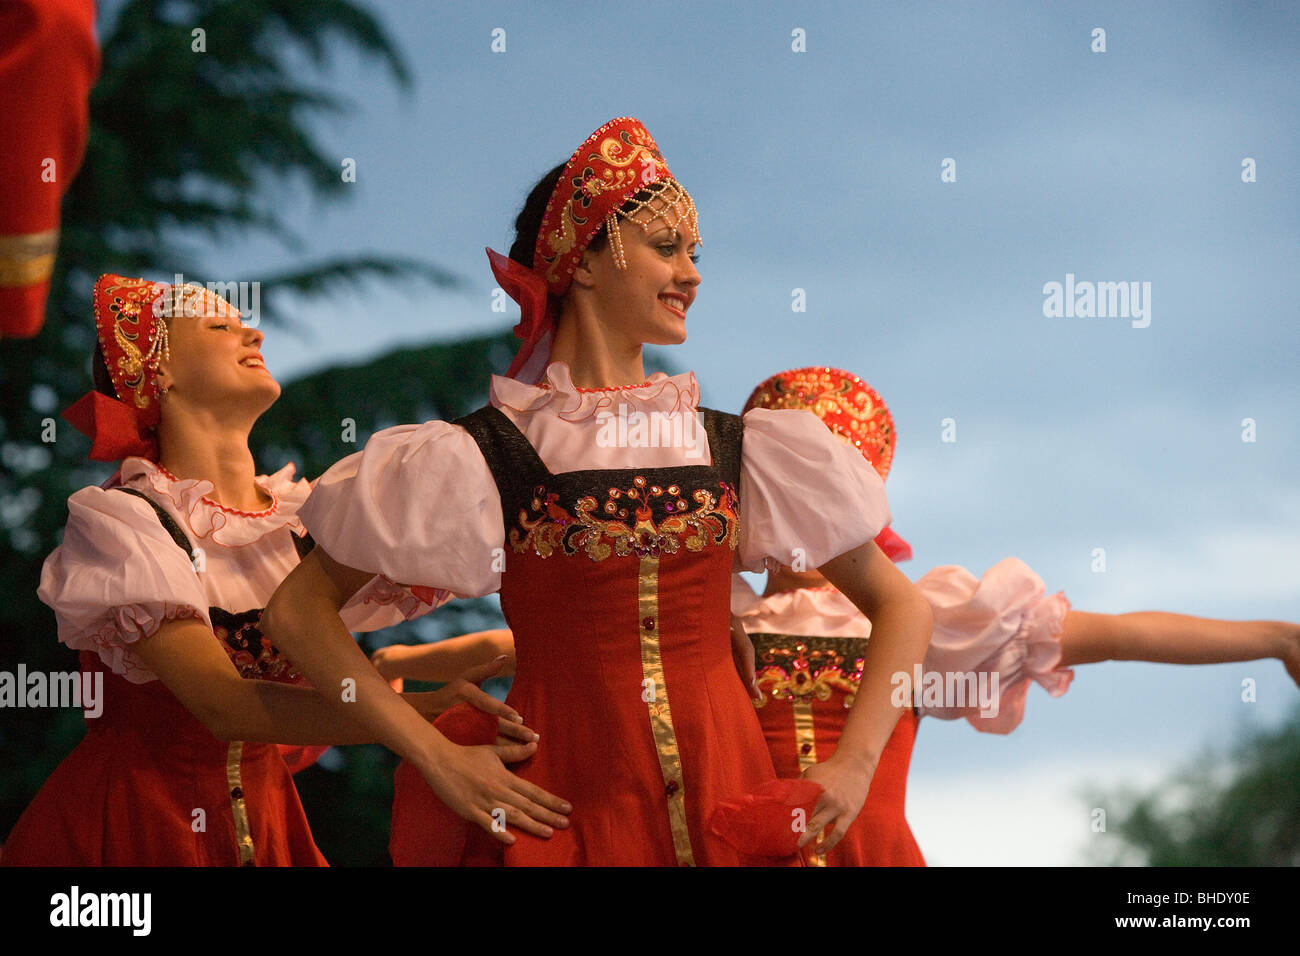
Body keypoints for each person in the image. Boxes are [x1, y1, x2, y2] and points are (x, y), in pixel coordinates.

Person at [261, 117, 934, 866]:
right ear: (582, 262)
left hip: (727, 806)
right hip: (561, 814)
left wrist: (853, 765)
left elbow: (903, 606)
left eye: (694, 251)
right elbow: (296, 613)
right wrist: (433, 753)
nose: (693, 271)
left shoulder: (739, 446)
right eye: (666, 246)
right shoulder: (482, 452)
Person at [378, 366, 1300, 866]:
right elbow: (519, 642)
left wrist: (1273, 638)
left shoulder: (916, 621)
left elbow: (1114, 635)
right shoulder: (712, 605)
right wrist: (387, 677)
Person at [1, 275, 529, 866]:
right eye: (219, 325)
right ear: (160, 375)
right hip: (136, 829)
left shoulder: (302, 521)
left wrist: (421, 664)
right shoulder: (124, 519)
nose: (252, 330)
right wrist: (418, 724)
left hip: (268, 821)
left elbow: (329, 669)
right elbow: (225, 704)